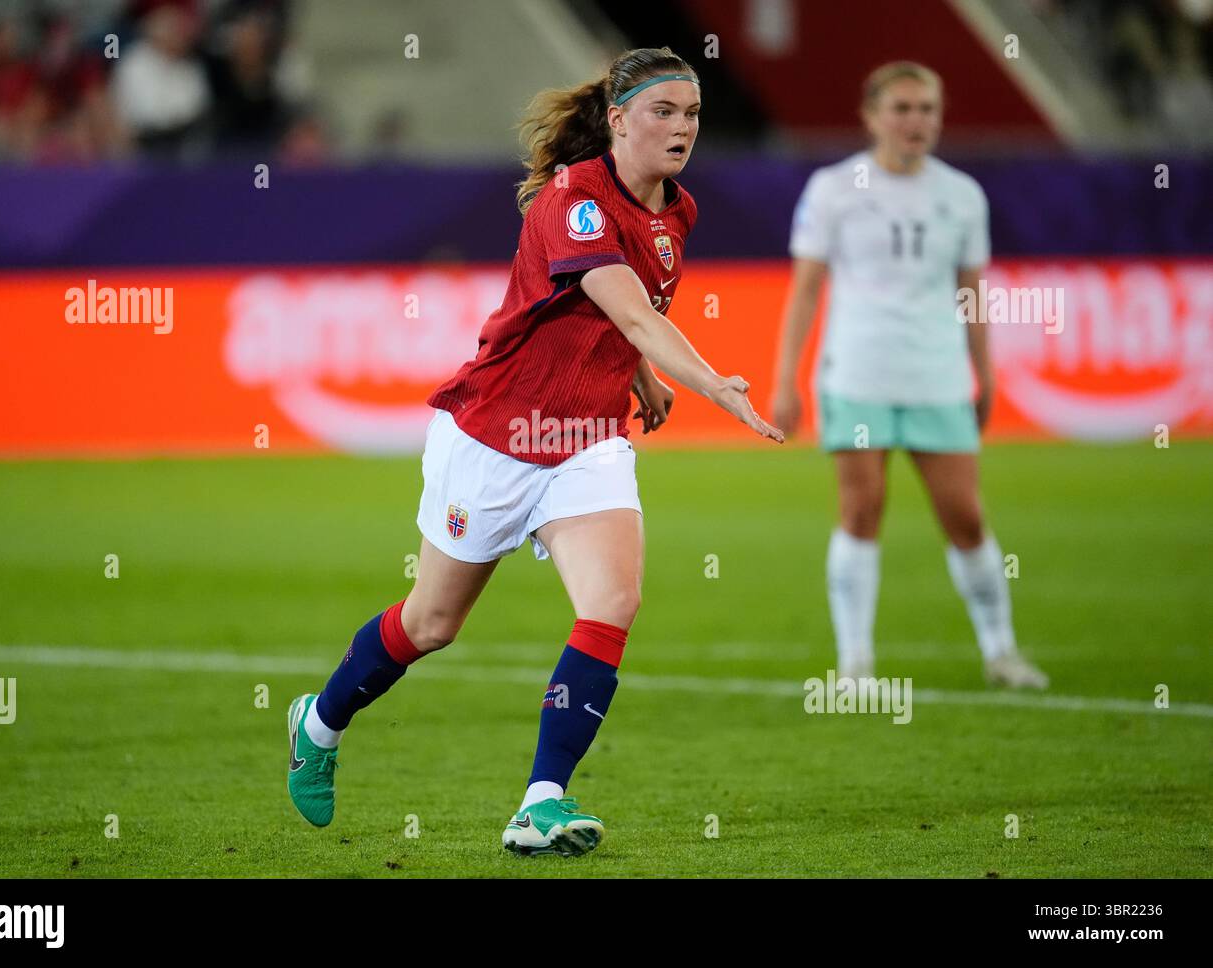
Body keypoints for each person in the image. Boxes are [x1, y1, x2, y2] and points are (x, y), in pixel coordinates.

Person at [286, 47, 784, 856]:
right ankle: (320, 719)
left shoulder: (675, 211)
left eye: (692, 114)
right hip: (494, 436)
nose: (682, 128)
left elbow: (626, 317)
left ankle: (540, 803)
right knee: (432, 622)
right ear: (618, 120)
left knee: (612, 604)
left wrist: (644, 378)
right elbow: (631, 311)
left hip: (586, 440)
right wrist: (707, 382)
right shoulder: (574, 201)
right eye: (664, 112)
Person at [768, 61, 1048, 690]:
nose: (915, 121)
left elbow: (971, 293)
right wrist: (784, 379)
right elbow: (806, 291)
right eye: (901, 108)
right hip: (856, 373)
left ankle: (1001, 652)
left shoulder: (961, 195)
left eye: (926, 108)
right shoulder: (833, 188)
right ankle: (856, 664)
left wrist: (985, 373)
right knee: (861, 510)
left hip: (938, 377)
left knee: (967, 517)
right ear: (871, 116)